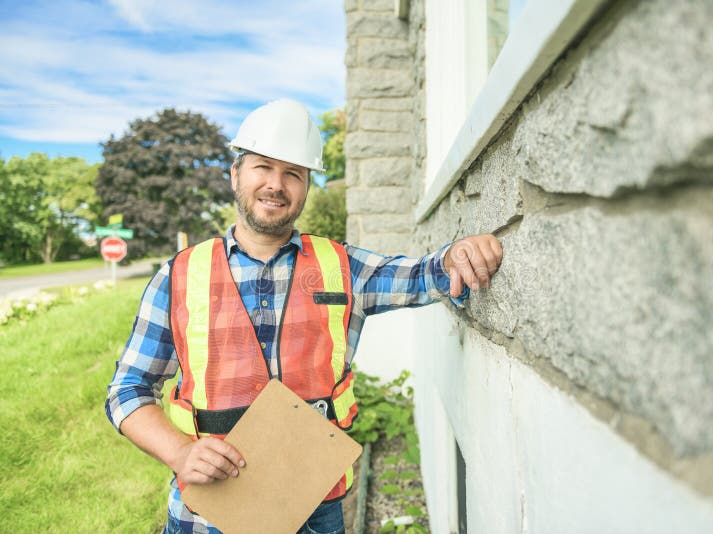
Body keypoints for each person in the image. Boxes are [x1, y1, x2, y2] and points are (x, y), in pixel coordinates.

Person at [105, 98, 503, 534]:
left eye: (293, 173)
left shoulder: (340, 267)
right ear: (235, 174)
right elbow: (128, 389)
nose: (276, 184)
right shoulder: (179, 276)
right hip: (208, 513)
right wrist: (180, 453)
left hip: (313, 509)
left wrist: (459, 255)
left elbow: (424, 273)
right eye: (263, 167)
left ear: (306, 186)